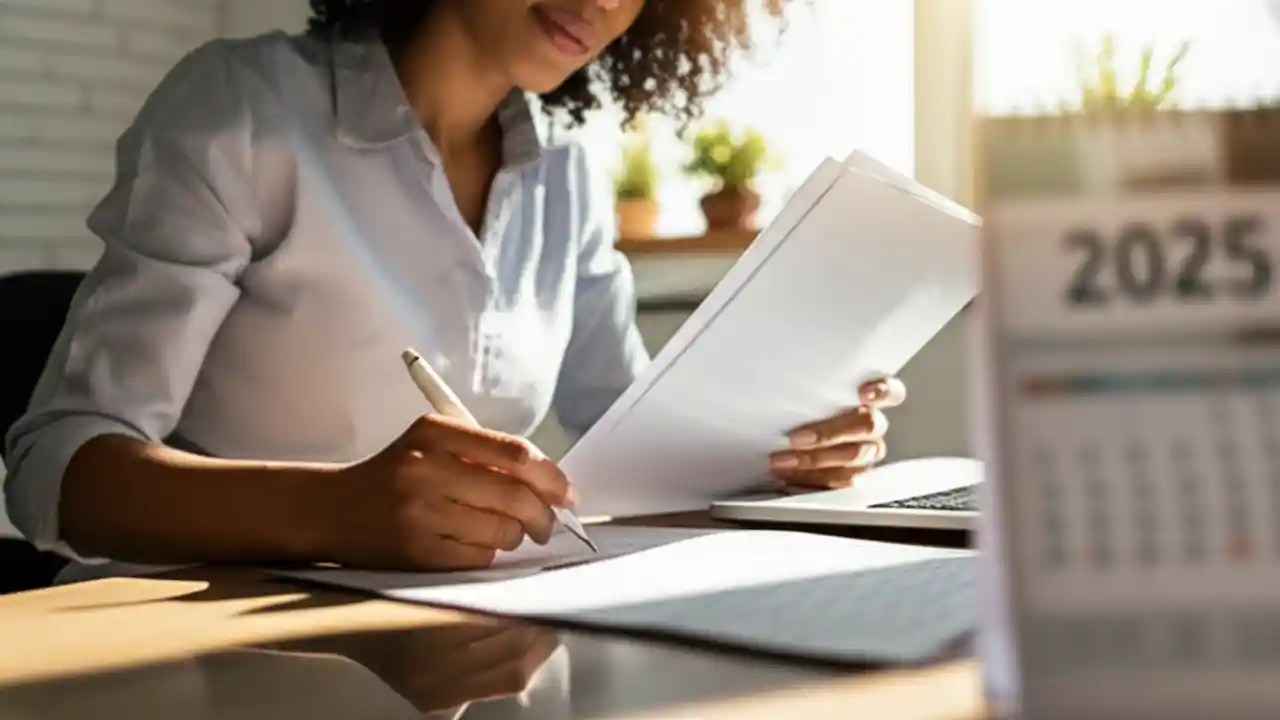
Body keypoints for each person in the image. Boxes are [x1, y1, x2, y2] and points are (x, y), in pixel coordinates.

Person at [4, 0, 906, 575]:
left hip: (442, 643)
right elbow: (57, 470)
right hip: (184, 655)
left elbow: (636, 436)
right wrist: (333, 511)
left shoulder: (566, 175)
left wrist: (791, 450)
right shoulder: (242, 108)